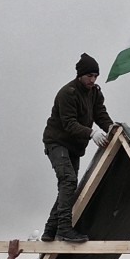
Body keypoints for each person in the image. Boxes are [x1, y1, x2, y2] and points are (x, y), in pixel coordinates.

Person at [40, 53, 114, 244]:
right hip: (57, 143)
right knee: (68, 180)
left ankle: (50, 229)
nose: (93, 79)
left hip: (74, 147)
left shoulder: (95, 93)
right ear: (80, 75)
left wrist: (111, 128)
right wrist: (92, 133)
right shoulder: (68, 93)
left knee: (68, 187)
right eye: (89, 76)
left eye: (95, 76)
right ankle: (64, 228)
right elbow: (69, 124)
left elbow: (100, 114)